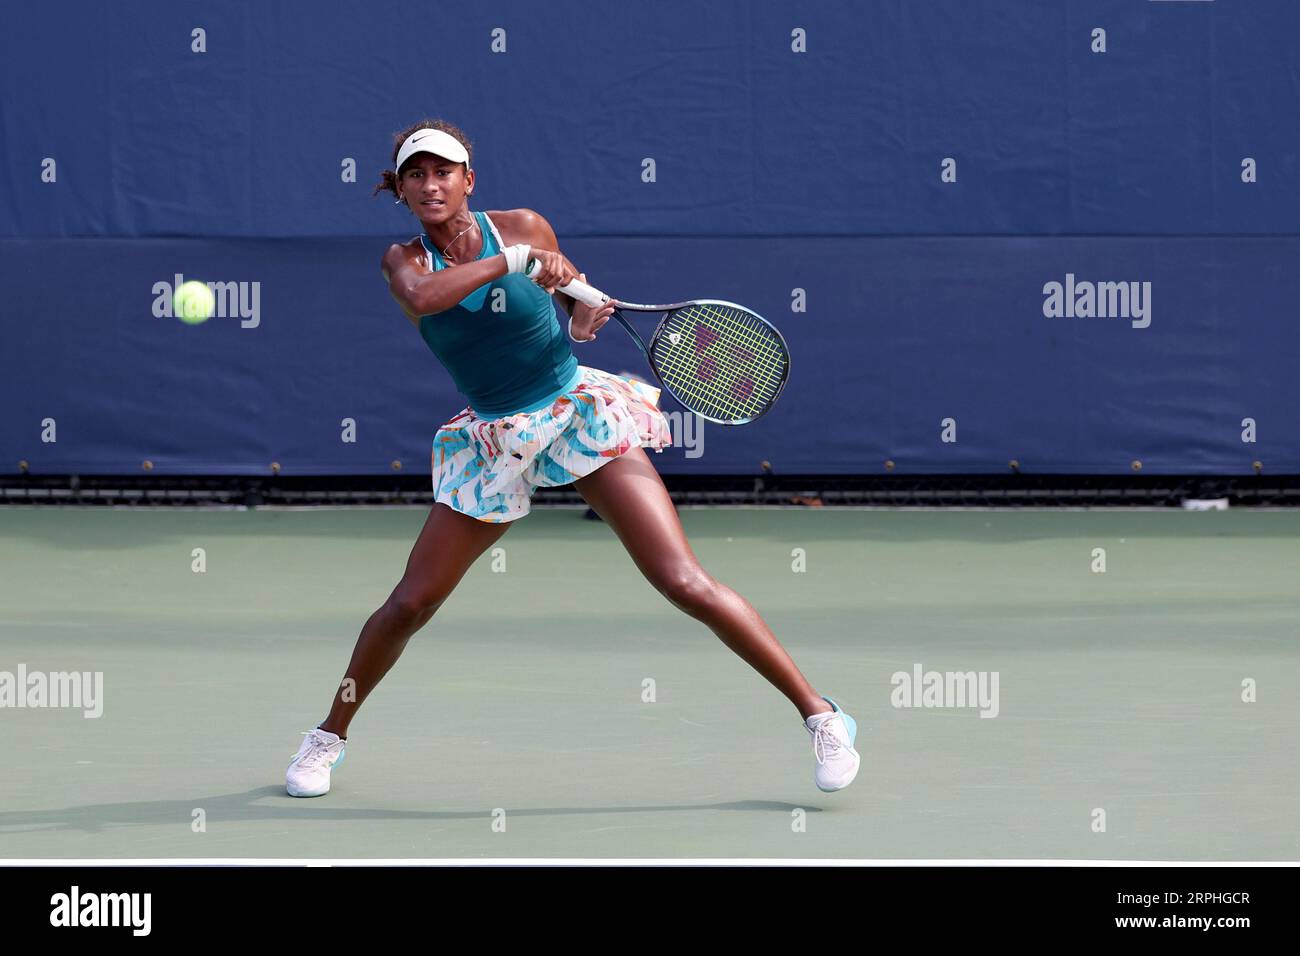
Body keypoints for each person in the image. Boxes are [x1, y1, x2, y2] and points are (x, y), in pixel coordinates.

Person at [286, 120, 860, 797]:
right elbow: (424, 299)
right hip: (493, 438)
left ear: (468, 180)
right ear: (403, 189)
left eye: (445, 171)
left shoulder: (526, 224)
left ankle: (823, 716)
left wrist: (580, 312)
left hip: (575, 414)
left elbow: (570, 298)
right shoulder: (403, 262)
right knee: (410, 604)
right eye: (417, 174)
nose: (431, 183)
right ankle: (327, 736)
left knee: (683, 581)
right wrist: (513, 263)